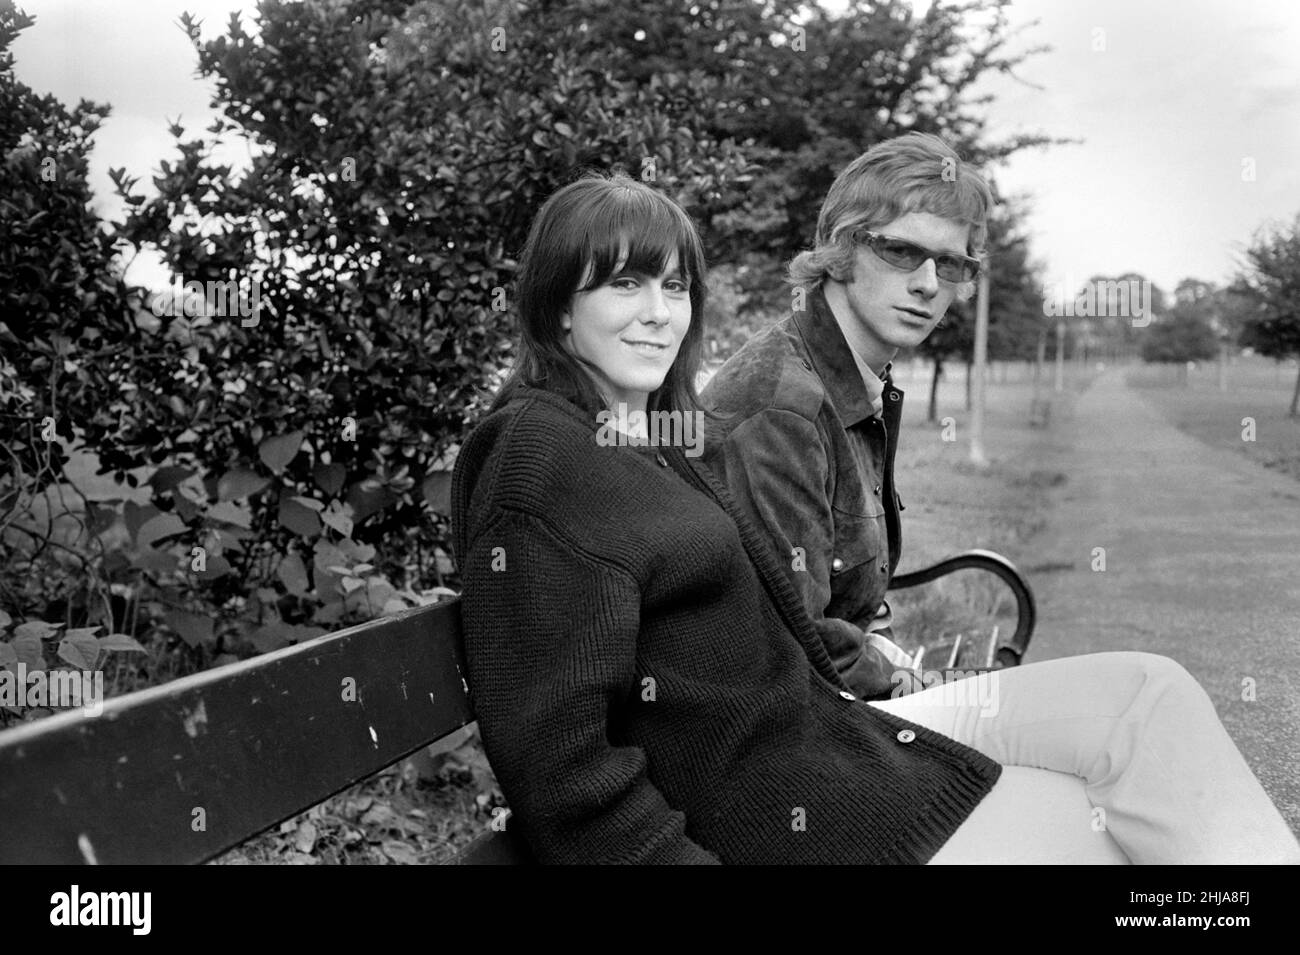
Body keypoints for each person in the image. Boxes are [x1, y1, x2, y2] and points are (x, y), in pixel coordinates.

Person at [449, 170, 1300, 864]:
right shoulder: (538, 455)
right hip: (794, 805)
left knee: (1147, 715)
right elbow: (560, 767)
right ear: (559, 303)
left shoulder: (642, 436)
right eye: (625, 283)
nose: (659, 311)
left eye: (675, 286)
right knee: (1118, 831)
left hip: (827, 759)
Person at [701, 132, 986, 701]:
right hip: (785, 746)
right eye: (901, 251)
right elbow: (800, 651)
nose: (929, 284)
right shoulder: (784, 410)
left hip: (842, 708)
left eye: (950, 263)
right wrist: (929, 689)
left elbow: (852, 608)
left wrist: (898, 659)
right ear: (841, 248)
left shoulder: (858, 383)